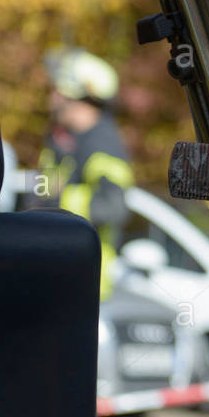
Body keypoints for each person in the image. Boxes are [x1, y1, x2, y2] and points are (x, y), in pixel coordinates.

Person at [38, 47, 135, 298]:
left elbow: (113, 207)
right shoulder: (60, 142)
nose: (52, 98)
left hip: (83, 286)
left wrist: (58, 205)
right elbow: (41, 196)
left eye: (58, 91)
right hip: (51, 276)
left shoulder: (103, 144)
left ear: (77, 96)